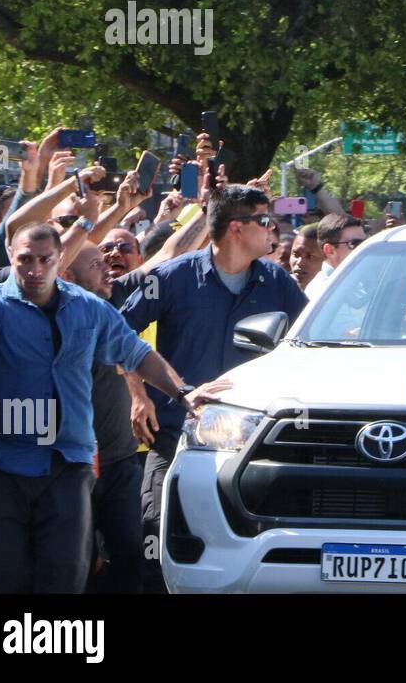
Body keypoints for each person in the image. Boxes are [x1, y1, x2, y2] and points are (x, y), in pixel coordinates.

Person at [0, 223, 224, 593]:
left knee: (65, 575)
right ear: (11, 260)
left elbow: (137, 352)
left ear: (58, 260)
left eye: (44, 260)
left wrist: (183, 393)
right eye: (24, 260)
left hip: (69, 466)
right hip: (2, 466)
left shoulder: (88, 308)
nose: (34, 269)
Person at [119, 185, 308, 583]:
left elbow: (311, 343)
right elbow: (119, 333)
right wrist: (138, 397)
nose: (272, 229)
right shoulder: (171, 278)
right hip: (176, 438)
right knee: (156, 539)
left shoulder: (278, 283)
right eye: (264, 220)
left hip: (258, 449)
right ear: (236, 228)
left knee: (254, 552)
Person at [60, 243, 145, 593]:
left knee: (131, 551)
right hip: (71, 467)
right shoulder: (53, 323)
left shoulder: (115, 305)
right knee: (75, 563)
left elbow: (168, 252)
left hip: (121, 462)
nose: (108, 269)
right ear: (67, 274)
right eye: (96, 264)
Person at [304, 213, 366, 303]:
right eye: (355, 244)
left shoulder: (360, 281)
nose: (363, 248)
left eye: (365, 242)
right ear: (330, 251)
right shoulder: (321, 291)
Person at [290, 223, 323, 289]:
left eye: (310, 256)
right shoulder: (276, 286)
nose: (300, 263)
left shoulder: (337, 290)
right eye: (296, 254)